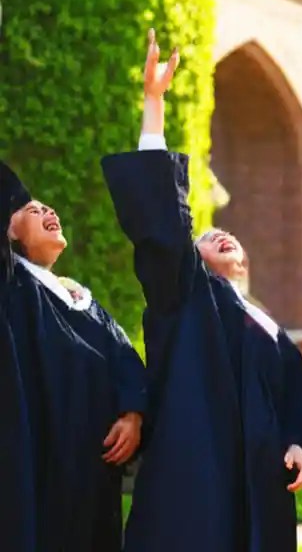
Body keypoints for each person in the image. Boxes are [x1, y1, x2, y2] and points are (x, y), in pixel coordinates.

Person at [101, 29, 302, 552]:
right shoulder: (185, 297)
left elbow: (294, 398)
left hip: (259, 496)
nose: (219, 234)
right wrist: (154, 107)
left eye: (228, 236)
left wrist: (299, 445)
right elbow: (162, 223)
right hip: (194, 485)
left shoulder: (266, 324)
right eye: (204, 235)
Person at [0, 159, 147, 552]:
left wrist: (133, 413)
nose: (48, 210)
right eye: (32, 210)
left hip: (95, 479)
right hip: (45, 472)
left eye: (48, 208)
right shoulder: (13, 289)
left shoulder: (79, 298)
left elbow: (125, 359)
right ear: (8, 231)